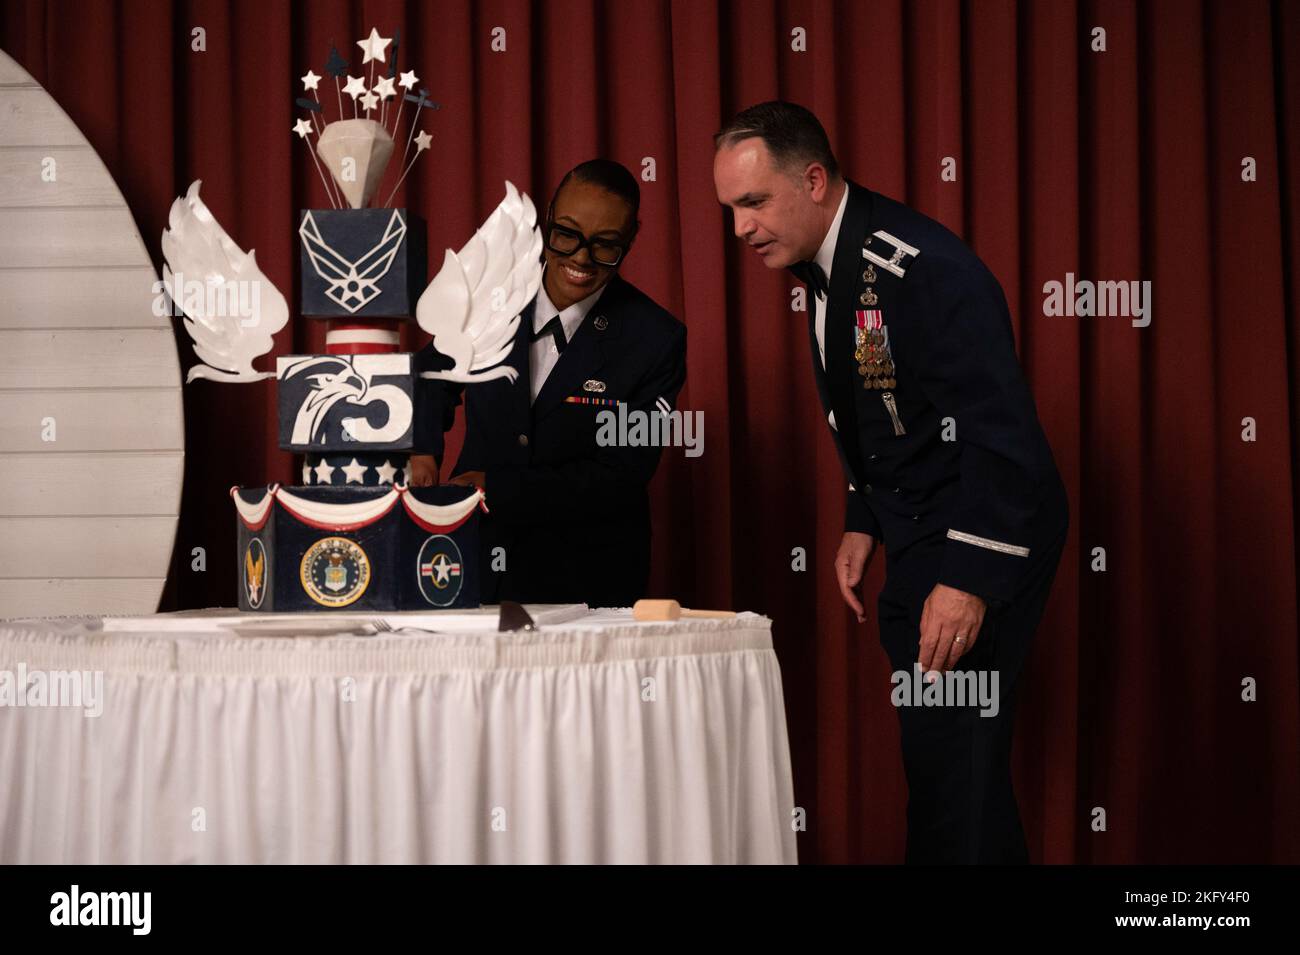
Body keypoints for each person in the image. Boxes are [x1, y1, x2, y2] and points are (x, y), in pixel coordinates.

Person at [712, 101, 1069, 864]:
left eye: (753, 202)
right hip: (914, 524)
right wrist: (861, 515)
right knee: (943, 768)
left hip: (981, 526)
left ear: (813, 179)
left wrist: (967, 579)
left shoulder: (923, 270)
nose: (739, 228)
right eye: (731, 209)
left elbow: (1005, 440)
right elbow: (881, 401)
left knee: (957, 776)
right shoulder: (831, 260)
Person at [410, 159, 686, 608]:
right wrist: (422, 446)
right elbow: (427, 375)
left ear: (631, 239)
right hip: (472, 565)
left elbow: (621, 475)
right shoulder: (489, 298)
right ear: (549, 217)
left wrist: (494, 488)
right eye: (567, 235)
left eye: (605, 246)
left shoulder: (657, 339)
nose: (580, 258)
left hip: (587, 581)